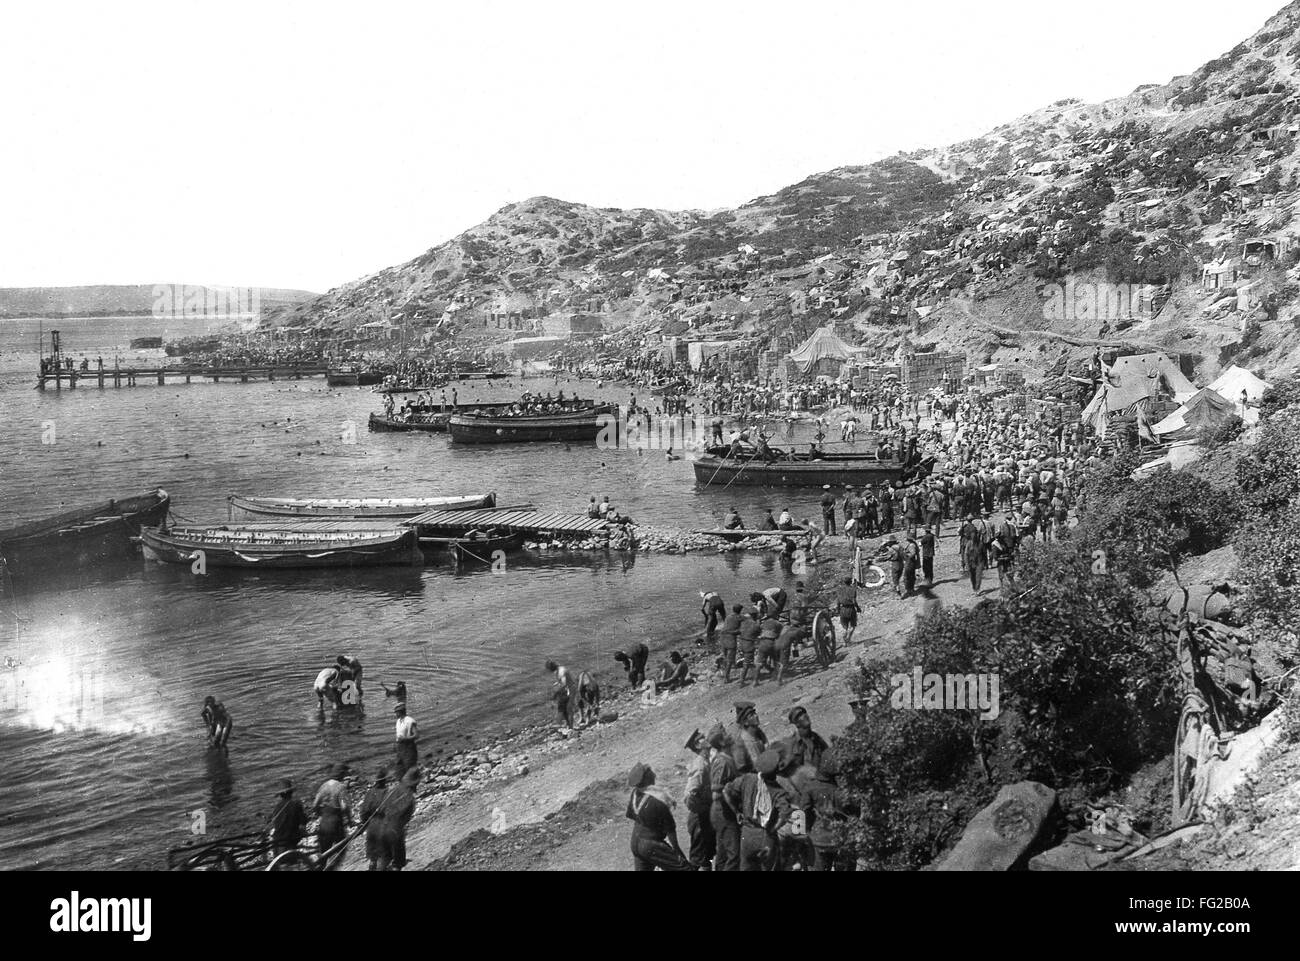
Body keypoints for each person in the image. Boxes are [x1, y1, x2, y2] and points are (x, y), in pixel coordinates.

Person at [723, 749, 802, 872]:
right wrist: (774, 828)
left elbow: (726, 791)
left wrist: (737, 812)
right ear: (777, 770)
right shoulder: (778, 792)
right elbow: (785, 814)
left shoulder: (747, 779)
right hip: (766, 836)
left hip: (747, 833)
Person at [625, 763, 694, 871]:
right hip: (651, 845)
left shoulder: (635, 794)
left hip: (635, 842)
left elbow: (634, 817)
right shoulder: (658, 801)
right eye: (650, 772)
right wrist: (678, 853)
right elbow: (671, 832)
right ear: (647, 778)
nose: (654, 774)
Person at [800, 752, 859, 871]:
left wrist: (800, 837)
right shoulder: (847, 791)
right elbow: (856, 814)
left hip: (818, 840)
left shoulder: (810, 788)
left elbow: (801, 814)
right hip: (842, 839)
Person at [707, 724, 741, 871]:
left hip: (723, 812)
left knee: (723, 853)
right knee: (734, 854)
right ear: (721, 742)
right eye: (725, 733)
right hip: (724, 812)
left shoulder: (727, 757)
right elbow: (717, 794)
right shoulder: (722, 762)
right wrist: (735, 810)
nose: (729, 734)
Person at [682, 729, 715, 871]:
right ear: (697, 745)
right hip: (700, 820)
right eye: (702, 738)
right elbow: (689, 796)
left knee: (706, 857)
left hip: (706, 818)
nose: (706, 739)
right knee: (697, 860)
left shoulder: (707, 761)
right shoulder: (700, 766)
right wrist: (702, 808)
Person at [313, 764, 353, 867]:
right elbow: (345, 807)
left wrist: (320, 815)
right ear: (341, 775)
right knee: (341, 850)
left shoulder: (324, 785)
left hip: (324, 823)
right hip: (336, 824)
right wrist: (350, 820)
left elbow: (315, 804)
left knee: (323, 854)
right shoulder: (341, 787)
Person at [385, 767, 419, 871]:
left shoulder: (395, 789)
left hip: (384, 823)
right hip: (395, 826)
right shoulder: (409, 797)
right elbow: (403, 815)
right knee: (398, 859)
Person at [360, 767, 393, 870]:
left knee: (373, 855)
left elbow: (364, 812)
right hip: (384, 825)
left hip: (372, 827)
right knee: (384, 855)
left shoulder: (370, 793)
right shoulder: (388, 793)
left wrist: (365, 822)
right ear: (385, 780)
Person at [268, 779, 308, 857]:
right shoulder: (296, 804)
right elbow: (303, 821)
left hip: (277, 839)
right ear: (291, 792)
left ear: (281, 795)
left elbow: (274, 822)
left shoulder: (277, 807)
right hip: (290, 838)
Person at [786, 706, 829, 771]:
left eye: (804, 713)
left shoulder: (816, 738)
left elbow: (828, 754)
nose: (804, 716)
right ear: (796, 724)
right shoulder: (795, 744)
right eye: (799, 716)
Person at [731, 701, 767, 773]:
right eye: (751, 716)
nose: (756, 716)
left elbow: (766, 746)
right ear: (746, 722)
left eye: (755, 713)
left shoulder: (758, 732)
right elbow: (743, 768)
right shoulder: (741, 742)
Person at [393, 702, 418, 780]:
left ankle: (412, 788)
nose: (395, 714)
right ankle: (402, 786)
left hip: (408, 748)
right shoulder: (398, 721)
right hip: (400, 747)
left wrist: (405, 739)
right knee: (399, 767)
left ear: (401, 711)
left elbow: (416, 735)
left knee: (409, 767)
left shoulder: (410, 721)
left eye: (396, 712)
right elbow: (398, 734)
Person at [835, 575, 861, 646]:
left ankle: (844, 639)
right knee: (852, 626)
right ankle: (848, 639)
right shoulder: (853, 590)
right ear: (850, 582)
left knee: (845, 627)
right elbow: (854, 601)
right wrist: (858, 608)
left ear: (844, 582)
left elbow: (838, 601)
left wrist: (838, 609)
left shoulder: (840, 590)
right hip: (851, 609)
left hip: (842, 609)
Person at [737, 611, 760, 686]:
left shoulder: (744, 623)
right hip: (749, 646)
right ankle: (742, 681)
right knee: (747, 663)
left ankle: (754, 676)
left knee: (748, 662)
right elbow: (759, 634)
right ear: (756, 616)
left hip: (741, 644)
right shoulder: (755, 625)